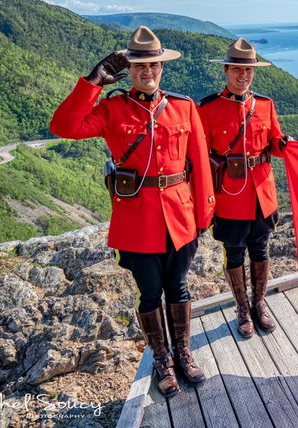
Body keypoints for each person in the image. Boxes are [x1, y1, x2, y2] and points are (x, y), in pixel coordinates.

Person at [49, 26, 214, 396]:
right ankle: (162, 359)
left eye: (153, 64)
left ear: (162, 67)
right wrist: (93, 82)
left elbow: (200, 164)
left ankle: (184, 353)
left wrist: (204, 215)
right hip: (137, 219)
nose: (148, 71)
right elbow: (63, 126)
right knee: (149, 294)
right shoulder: (112, 108)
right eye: (140, 64)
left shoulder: (184, 106)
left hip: (180, 216)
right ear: (130, 67)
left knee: (180, 287)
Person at [198, 38, 291, 338]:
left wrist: (283, 144)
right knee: (234, 252)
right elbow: (198, 157)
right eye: (237, 69)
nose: (243, 75)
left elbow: (274, 144)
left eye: (248, 70)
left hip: (261, 193)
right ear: (225, 70)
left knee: (260, 249)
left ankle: (259, 302)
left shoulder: (264, 104)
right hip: (228, 195)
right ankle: (241, 307)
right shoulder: (208, 109)